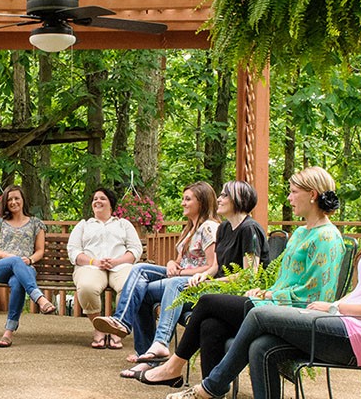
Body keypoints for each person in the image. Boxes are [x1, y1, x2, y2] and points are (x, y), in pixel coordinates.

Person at [167, 163, 361, 399]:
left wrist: (335, 307)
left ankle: (209, 387)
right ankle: (206, 387)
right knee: (258, 345)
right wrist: (268, 292)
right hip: (346, 324)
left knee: (251, 313)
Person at [139, 166, 345, 388]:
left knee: (208, 301)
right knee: (210, 325)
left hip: (291, 313)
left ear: (312, 195)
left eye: (293, 192)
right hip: (271, 303)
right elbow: (285, 280)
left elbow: (314, 294)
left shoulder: (327, 237)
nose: (289, 198)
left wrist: (267, 293)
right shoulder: (301, 233)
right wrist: (267, 291)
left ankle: (173, 368)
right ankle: (211, 391)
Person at [103, 181, 271, 378]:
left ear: (239, 199)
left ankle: (160, 344)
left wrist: (209, 281)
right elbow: (216, 266)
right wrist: (204, 274)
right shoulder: (225, 228)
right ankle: (147, 358)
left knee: (173, 283)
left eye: (224, 195)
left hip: (233, 294)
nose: (219, 199)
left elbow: (249, 275)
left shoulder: (250, 229)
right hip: (213, 287)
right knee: (144, 292)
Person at [91, 182, 219, 368]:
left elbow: (211, 266)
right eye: (183, 198)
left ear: (202, 202)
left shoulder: (208, 228)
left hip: (195, 284)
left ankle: (145, 338)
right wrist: (171, 263)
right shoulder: (189, 228)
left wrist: (181, 271)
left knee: (144, 283)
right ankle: (137, 343)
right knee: (139, 272)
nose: (182, 203)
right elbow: (179, 261)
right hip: (179, 277)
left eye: (188, 199)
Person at [68, 187, 143, 350]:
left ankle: (116, 328)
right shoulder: (83, 225)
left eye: (102, 198)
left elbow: (136, 249)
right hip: (91, 267)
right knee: (87, 287)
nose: (97, 201)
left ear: (111, 204)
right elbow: (73, 251)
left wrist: (117, 261)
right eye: (95, 199)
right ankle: (99, 329)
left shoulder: (124, 224)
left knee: (129, 287)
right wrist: (94, 262)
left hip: (121, 265)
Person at [0, 185, 56, 348]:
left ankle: (8, 333)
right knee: (16, 261)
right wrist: (12, 258)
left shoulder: (36, 224)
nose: (13, 202)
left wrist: (30, 260)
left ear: (23, 200)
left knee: (18, 282)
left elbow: (40, 251)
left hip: (25, 268)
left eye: (17, 198)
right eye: (9, 199)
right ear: (5, 202)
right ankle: (39, 298)